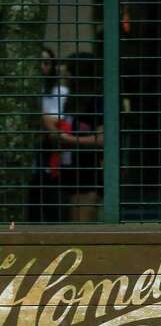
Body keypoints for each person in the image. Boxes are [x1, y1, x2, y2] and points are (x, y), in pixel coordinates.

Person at [58, 52, 105, 222]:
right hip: (70, 169)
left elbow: (102, 139)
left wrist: (67, 139)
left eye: (69, 72)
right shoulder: (69, 100)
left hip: (89, 170)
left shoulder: (97, 101)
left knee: (83, 224)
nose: (65, 77)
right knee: (73, 223)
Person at [28, 48, 70, 222]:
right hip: (30, 156)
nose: (42, 67)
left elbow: (61, 125)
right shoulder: (25, 94)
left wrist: (42, 118)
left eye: (46, 63)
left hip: (54, 156)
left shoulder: (62, 92)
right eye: (38, 62)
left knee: (53, 207)